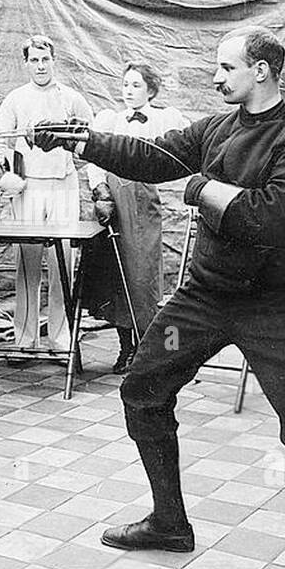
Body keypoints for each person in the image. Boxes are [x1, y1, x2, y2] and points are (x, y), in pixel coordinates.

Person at [32, 29, 285, 569]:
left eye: (225, 66)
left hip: (276, 307)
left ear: (261, 70)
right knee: (142, 388)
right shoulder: (216, 128)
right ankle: (169, 523)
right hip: (205, 300)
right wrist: (80, 141)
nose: (215, 77)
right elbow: (147, 155)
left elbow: (267, 220)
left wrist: (200, 188)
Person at [0, 34, 94, 357]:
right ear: (26, 63)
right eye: (34, 60)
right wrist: (10, 169)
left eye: (45, 59)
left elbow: (92, 140)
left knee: (63, 264)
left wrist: (72, 160)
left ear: (54, 60)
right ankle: (25, 340)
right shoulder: (16, 99)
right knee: (27, 262)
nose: (41, 65)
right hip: (28, 187)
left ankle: (60, 340)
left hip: (63, 184)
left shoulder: (71, 98)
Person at [84, 63, 190, 373]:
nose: (129, 91)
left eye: (136, 86)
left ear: (151, 91)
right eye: (126, 85)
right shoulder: (110, 120)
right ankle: (125, 348)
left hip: (143, 203)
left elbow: (183, 152)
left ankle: (159, 350)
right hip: (113, 203)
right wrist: (100, 192)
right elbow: (94, 159)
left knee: (144, 279)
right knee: (117, 277)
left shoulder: (163, 120)